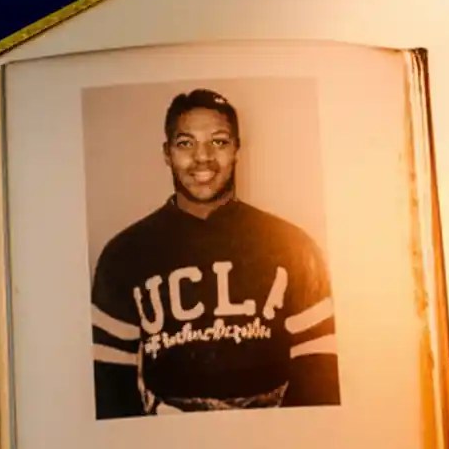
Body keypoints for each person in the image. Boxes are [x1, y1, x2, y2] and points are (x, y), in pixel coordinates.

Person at [89, 88, 342, 418]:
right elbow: (108, 382)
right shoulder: (123, 254)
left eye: (219, 141)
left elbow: (321, 369)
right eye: (186, 143)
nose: (202, 157)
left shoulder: (293, 245)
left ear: (237, 149)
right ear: (167, 153)